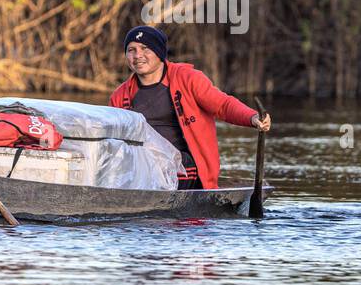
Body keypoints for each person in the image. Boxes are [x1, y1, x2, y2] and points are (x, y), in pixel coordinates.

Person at [110, 25, 271, 189]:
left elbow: (223, 105)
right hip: (141, 167)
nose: (138, 55)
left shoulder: (188, 78)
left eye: (145, 48)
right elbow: (113, 141)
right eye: (131, 50)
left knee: (158, 170)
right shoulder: (120, 95)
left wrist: (252, 118)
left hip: (185, 166)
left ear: (159, 52)